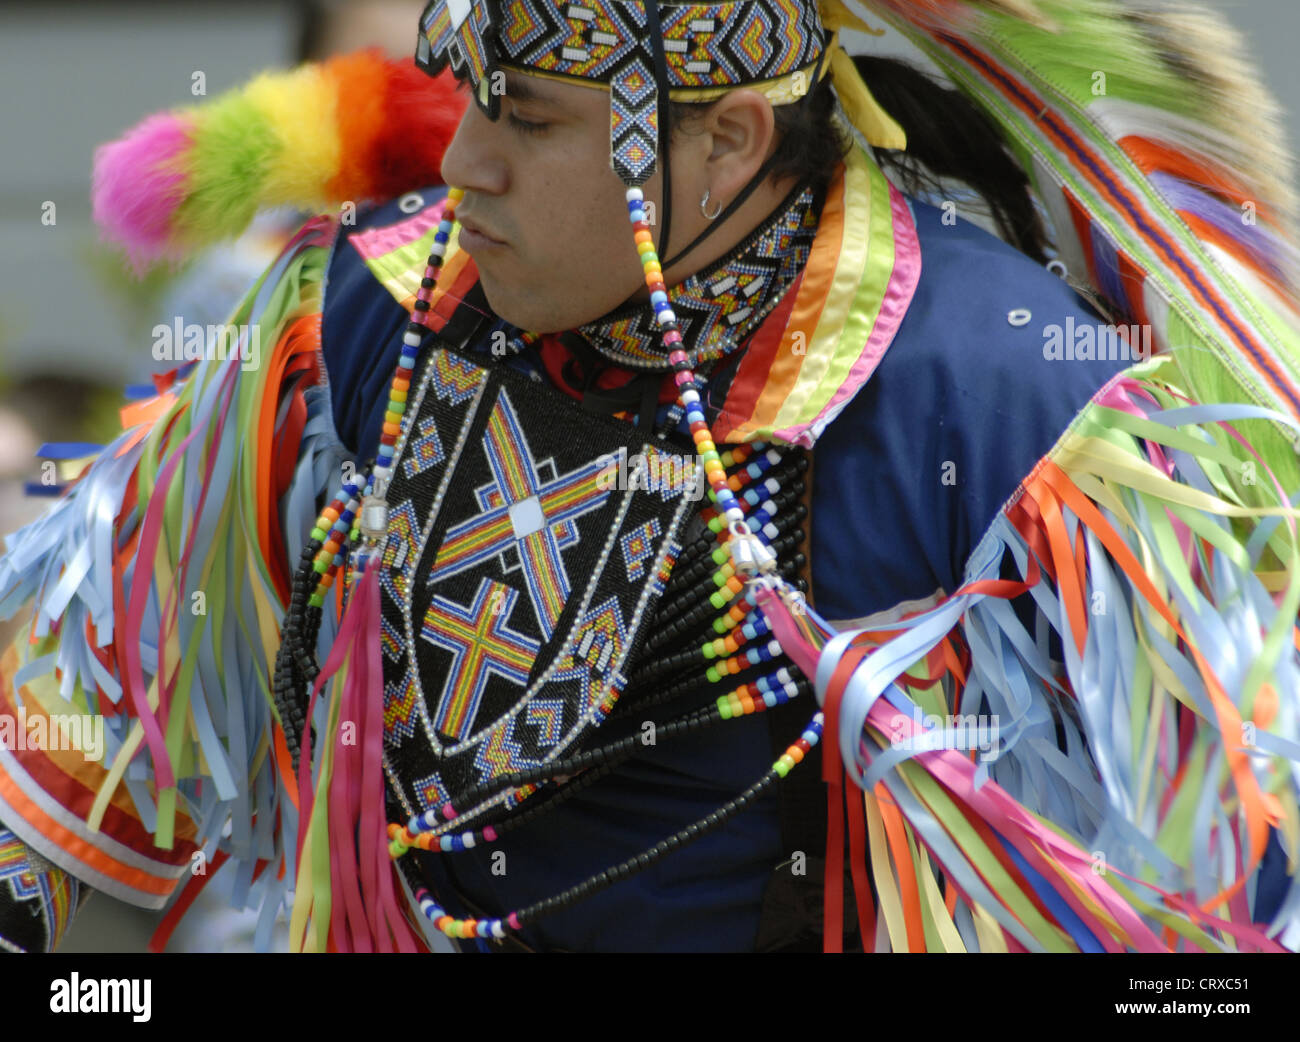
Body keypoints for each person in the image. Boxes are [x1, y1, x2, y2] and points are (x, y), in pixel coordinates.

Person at [1, 0, 1298, 953]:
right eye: (468, 98)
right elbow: (106, 751)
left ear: (729, 140)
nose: (462, 164)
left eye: (532, 120)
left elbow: (1212, 896)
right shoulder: (355, 316)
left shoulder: (998, 398)